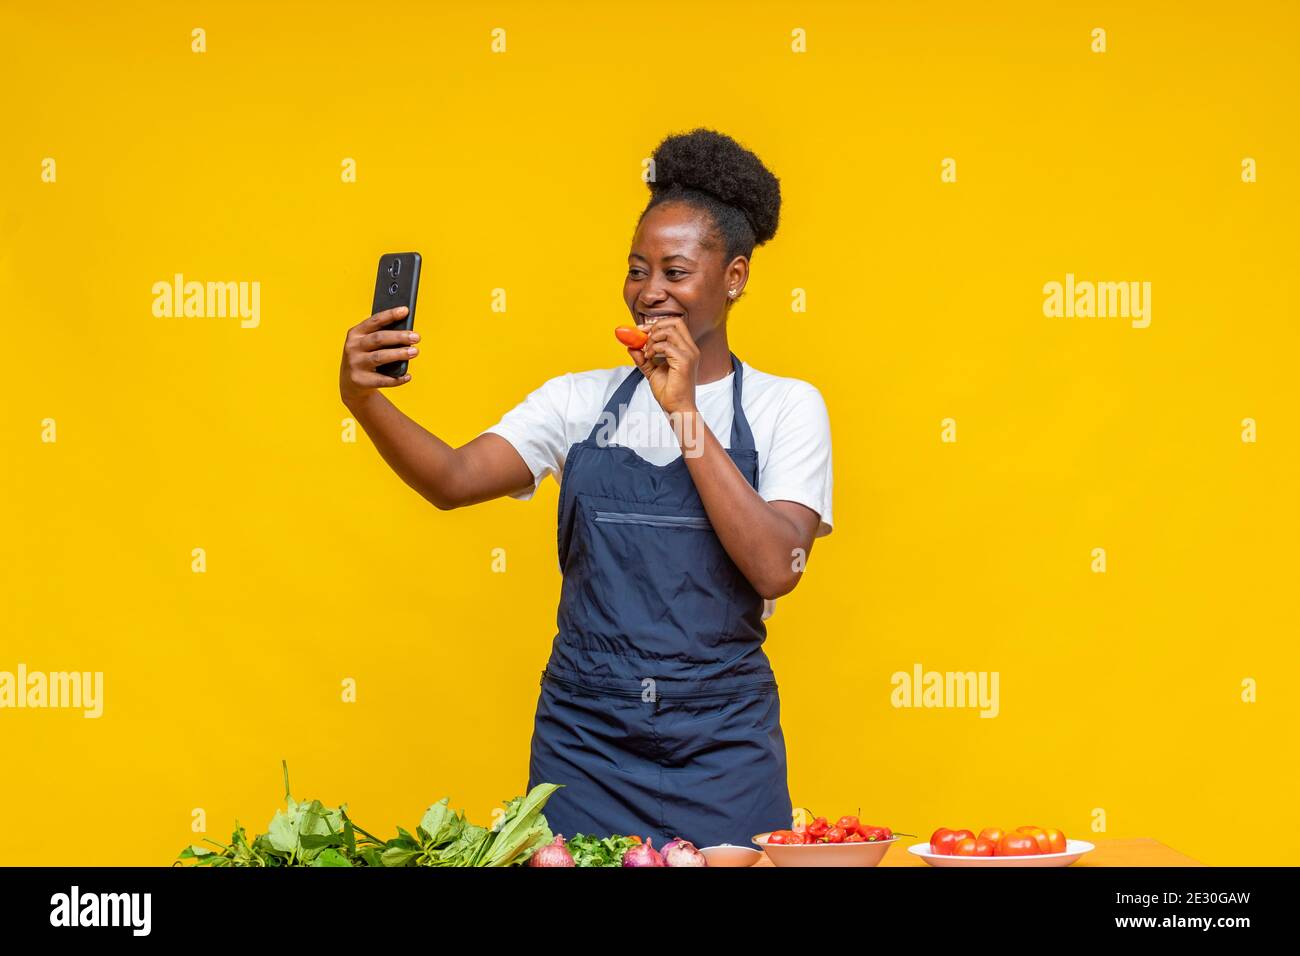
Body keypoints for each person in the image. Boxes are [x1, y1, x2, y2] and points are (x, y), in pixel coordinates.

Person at [339, 128, 833, 849]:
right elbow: (451, 480)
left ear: (734, 277)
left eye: (675, 271)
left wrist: (684, 412)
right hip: (585, 743)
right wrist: (365, 403)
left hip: (724, 743)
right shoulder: (575, 401)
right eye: (637, 271)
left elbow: (773, 565)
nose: (649, 293)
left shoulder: (788, 407)